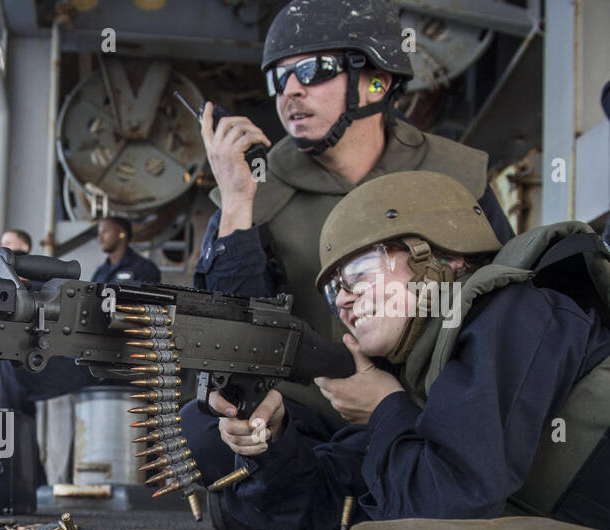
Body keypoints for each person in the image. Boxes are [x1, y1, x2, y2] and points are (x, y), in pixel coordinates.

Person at [197, 171, 610, 530]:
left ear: (443, 259)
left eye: (359, 273)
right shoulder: (413, 372)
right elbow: (325, 510)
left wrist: (382, 408)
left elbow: (445, 518)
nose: (342, 299)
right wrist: (274, 442)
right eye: (333, 288)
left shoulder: (516, 314)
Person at [185, 0, 515, 444]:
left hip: (433, 411)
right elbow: (229, 339)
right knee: (202, 428)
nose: (291, 91)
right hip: (304, 426)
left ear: (376, 83)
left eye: (315, 70)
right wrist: (237, 202)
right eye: (279, 77)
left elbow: (508, 308)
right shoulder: (253, 187)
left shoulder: (452, 176)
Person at [0, 215, 160, 410]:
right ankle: (4, 435)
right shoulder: (101, 272)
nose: (100, 237)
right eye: (99, 232)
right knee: (17, 362)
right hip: (87, 353)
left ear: (122, 234)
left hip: (111, 360)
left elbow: (144, 316)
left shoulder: (144, 269)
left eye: (105, 231)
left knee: (15, 369)